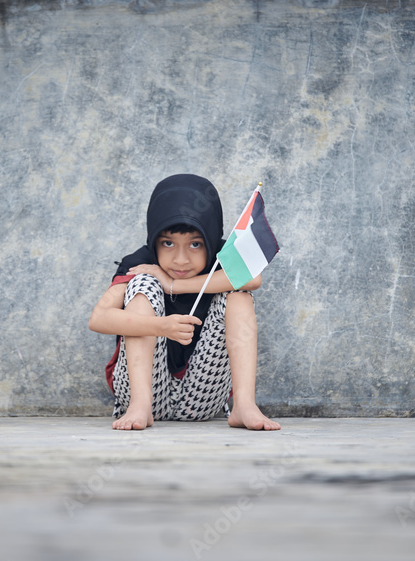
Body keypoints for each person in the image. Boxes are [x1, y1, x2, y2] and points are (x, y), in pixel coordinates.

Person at [88, 174, 281, 431]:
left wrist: (174, 285)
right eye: (168, 243)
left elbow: (253, 278)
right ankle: (140, 405)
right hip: (144, 392)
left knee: (238, 293)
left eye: (195, 244)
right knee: (143, 281)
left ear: (210, 241)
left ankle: (244, 405)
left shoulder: (221, 258)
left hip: (201, 399)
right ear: (154, 239)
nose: (180, 259)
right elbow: (98, 319)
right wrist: (161, 327)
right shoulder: (142, 260)